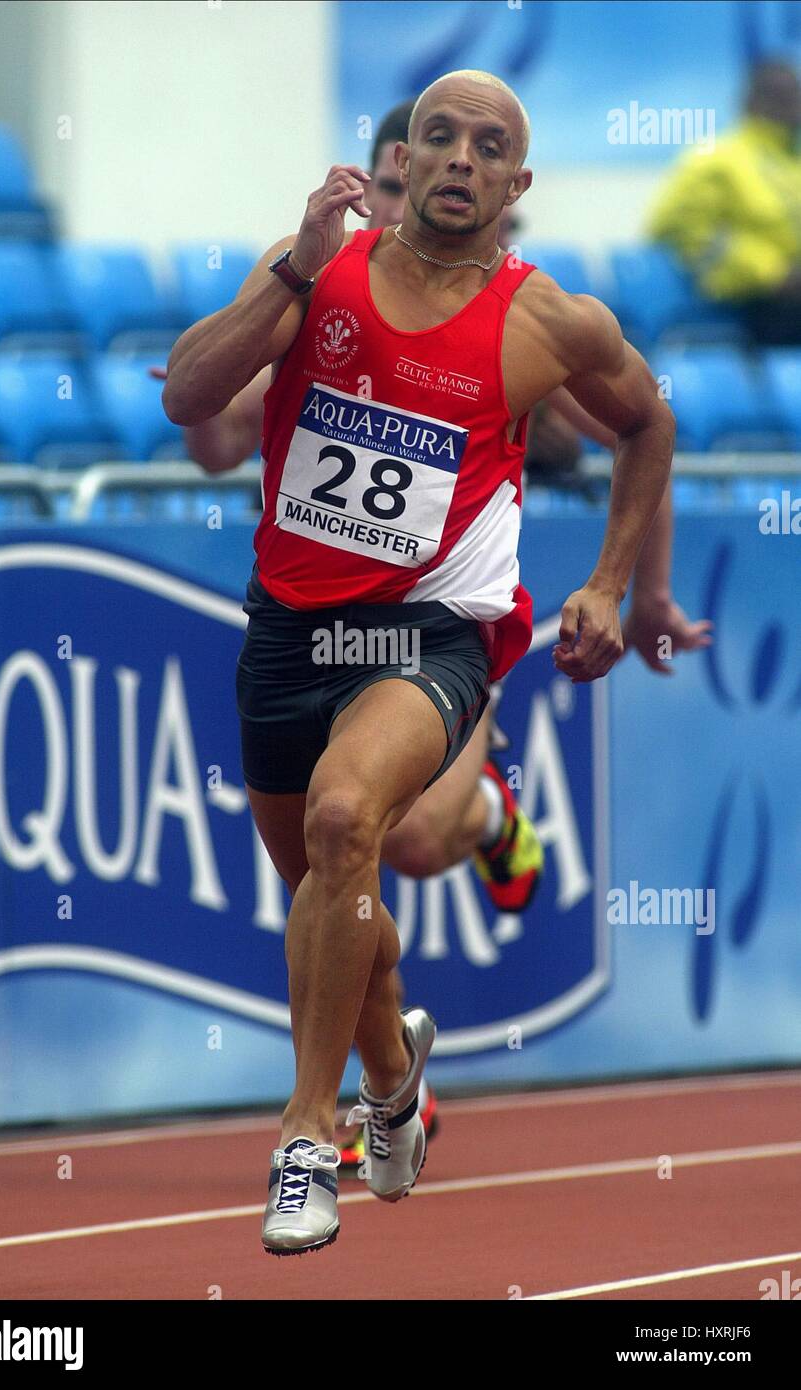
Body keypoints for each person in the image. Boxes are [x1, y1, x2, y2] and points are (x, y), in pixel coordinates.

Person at [163, 68, 701, 1256]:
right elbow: (191, 398)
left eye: (488, 144)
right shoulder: (317, 271)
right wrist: (292, 268)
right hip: (289, 632)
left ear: (517, 182)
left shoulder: (544, 322)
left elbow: (648, 421)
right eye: (438, 135)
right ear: (401, 161)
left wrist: (617, 585)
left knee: (352, 821)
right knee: (331, 904)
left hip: (433, 635)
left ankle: (311, 1136)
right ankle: (393, 1072)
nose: (459, 156)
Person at [648, 60, 801, 346]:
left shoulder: (794, 163)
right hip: (749, 303)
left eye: (795, 94)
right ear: (751, 101)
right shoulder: (716, 159)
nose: (793, 104)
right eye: (780, 95)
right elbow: (680, 231)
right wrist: (772, 272)